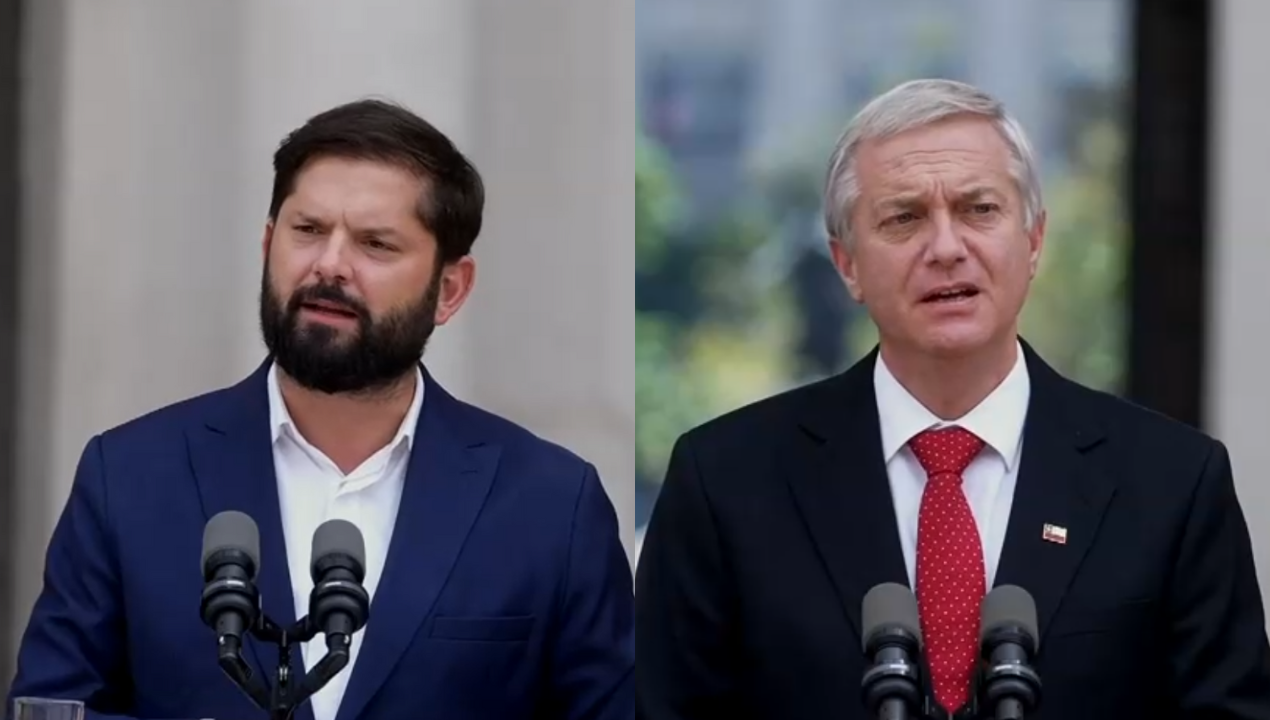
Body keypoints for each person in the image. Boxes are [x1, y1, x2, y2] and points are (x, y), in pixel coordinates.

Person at [635, 78, 1270, 719]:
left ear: (1034, 241)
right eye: (904, 218)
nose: (945, 248)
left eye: (979, 210)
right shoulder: (724, 483)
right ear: (846, 264)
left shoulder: (1173, 482)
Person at [9, 99, 634, 720]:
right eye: (307, 231)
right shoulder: (129, 476)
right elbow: (52, 709)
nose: (330, 265)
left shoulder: (551, 504)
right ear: (267, 245)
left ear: (449, 289)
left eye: (375, 244)